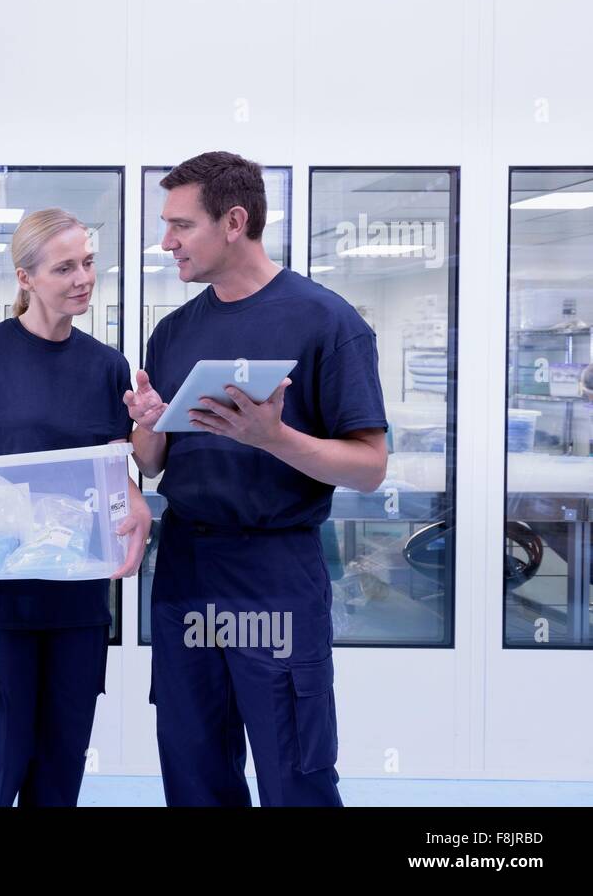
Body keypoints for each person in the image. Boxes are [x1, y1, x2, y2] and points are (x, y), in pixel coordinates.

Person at [126, 151, 388, 807]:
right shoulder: (174, 332)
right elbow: (153, 463)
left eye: (181, 225)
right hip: (186, 566)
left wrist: (275, 437)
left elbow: (369, 466)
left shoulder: (326, 323)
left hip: (275, 570)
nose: (167, 242)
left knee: (293, 770)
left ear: (234, 221)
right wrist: (150, 426)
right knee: (194, 768)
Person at [0, 208, 152, 807]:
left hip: (78, 597)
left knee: (61, 763)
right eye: (65, 267)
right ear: (26, 278)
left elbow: (123, 464)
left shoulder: (106, 365)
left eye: (89, 263)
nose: (83, 278)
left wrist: (140, 491)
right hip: (0, 596)